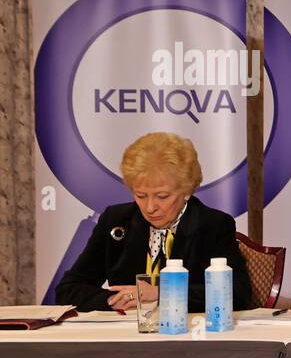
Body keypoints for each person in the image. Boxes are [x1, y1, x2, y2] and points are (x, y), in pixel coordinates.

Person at [56, 132, 254, 313]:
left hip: (188, 339)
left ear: (186, 191)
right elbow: (68, 289)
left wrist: (162, 294)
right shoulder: (115, 220)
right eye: (140, 195)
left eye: (162, 196)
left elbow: (238, 294)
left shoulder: (213, 225)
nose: (150, 207)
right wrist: (120, 299)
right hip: (125, 339)